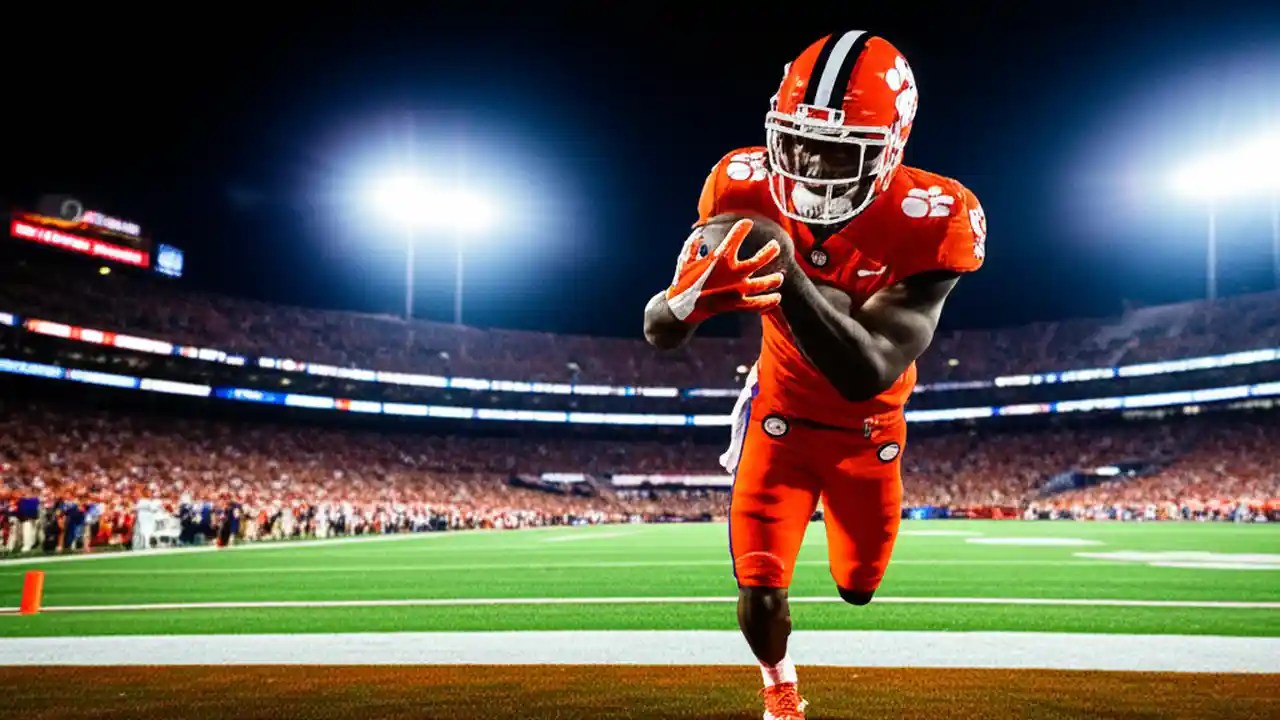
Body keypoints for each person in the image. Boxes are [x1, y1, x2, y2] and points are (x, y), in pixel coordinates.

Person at [643, 30, 987, 719]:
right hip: (778, 418)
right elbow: (661, 329)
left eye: (835, 151)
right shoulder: (739, 181)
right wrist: (686, 300)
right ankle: (781, 695)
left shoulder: (938, 217)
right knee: (759, 586)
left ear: (890, 149)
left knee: (858, 586)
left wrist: (784, 273)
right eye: (796, 143)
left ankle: (847, 556)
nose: (807, 166)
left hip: (868, 431)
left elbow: (867, 369)